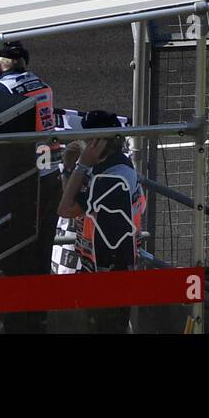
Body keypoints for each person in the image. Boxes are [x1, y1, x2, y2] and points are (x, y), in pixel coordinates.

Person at [0, 41, 59, 333]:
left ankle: (13, 325)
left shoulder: (2, 91)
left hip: (20, 185)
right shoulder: (42, 84)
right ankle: (37, 321)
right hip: (48, 178)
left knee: (8, 257)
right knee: (40, 255)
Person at [57, 110, 147, 334]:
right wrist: (70, 166)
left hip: (110, 270)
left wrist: (80, 165)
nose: (80, 139)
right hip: (97, 264)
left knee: (107, 327)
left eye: (86, 137)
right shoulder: (106, 164)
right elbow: (71, 200)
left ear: (99, 142)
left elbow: (65, 209)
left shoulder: (112, 177)